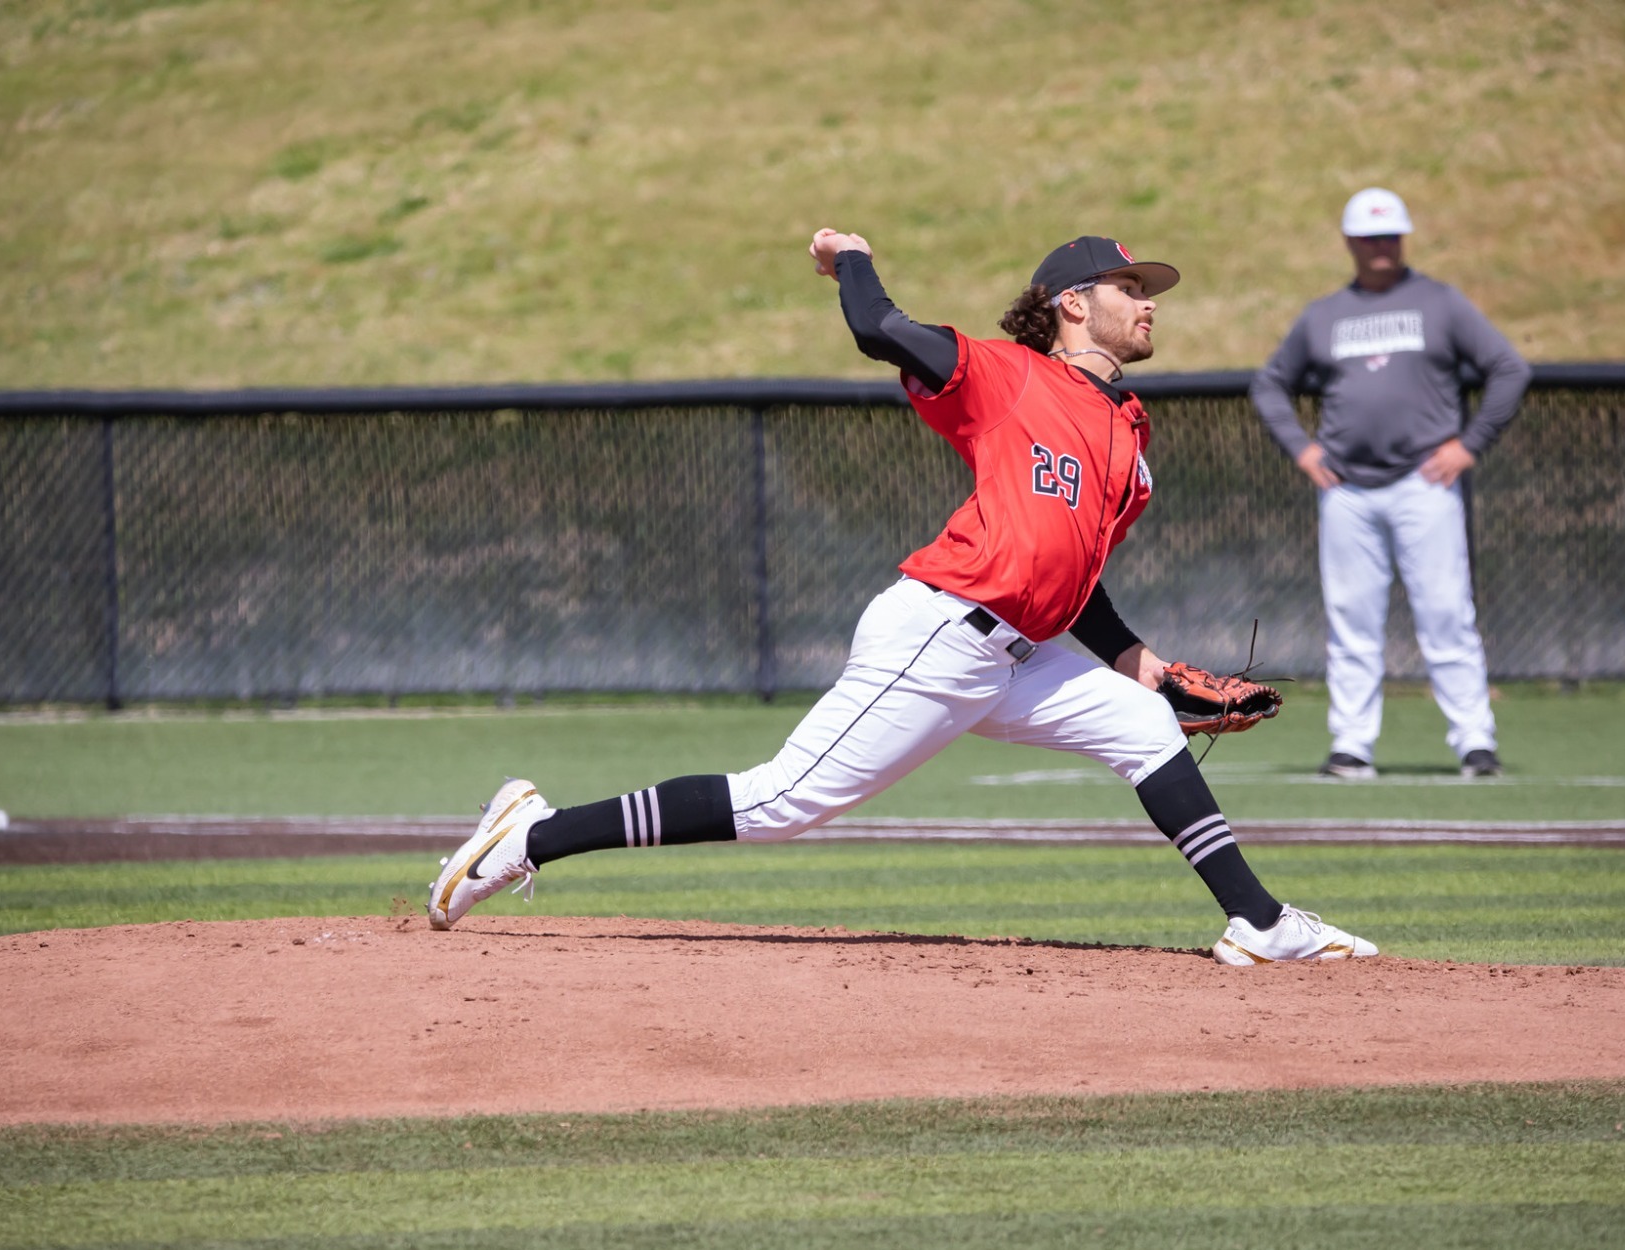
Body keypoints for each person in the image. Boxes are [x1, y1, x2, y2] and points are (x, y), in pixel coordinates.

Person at [427, 229, 1377, 965]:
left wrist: (1147, 669)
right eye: (1133, 289)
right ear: (1073, 304)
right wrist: (854, 257)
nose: (1150, 305)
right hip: (943, 633)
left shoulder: (1127, 434)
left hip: (1022, 651)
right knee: (782, 803)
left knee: (1147, 729)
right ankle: (529, 838)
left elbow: (1069, 579)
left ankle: (1260, 923)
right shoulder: (1007, 376)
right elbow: (878, 328)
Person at [1251, 188, 1531, 781]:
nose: (1382, 247)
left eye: (1391, 236)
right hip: (1348, 490)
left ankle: (1475, 743)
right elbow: (1271, 383)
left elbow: (1509, 368)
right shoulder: (1323, 315)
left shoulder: (1440, 303)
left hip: (1422, 485)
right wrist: (1302, 449)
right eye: (1371, 237)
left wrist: (1469, 443)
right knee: (1351, 619)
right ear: (1350, 242)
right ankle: (1352, 746)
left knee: (1446, 613)